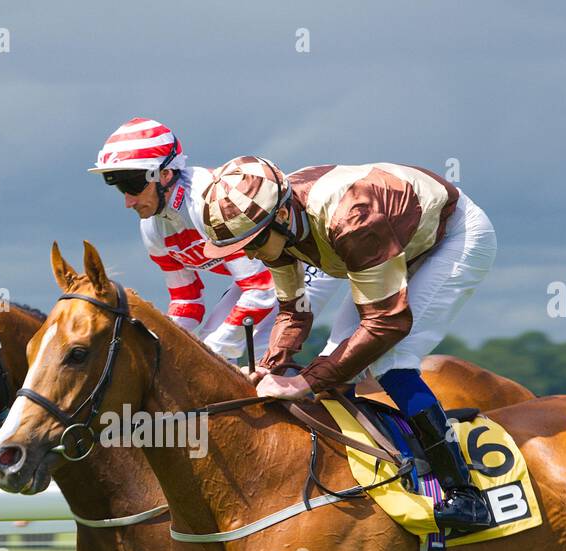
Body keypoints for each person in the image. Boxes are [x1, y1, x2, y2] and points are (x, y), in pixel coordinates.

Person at [199, 157, 498, 531]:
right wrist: (270, 367)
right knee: (333, 359)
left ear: (282, 218)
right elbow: (295, 310)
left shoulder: (352, 220)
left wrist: (303, 382)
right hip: (394, 238)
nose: (250, 255)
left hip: (453, 238)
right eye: (240, 248)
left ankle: (466, 495)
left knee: (390, 360)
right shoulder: (277, 224)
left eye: (254, 242)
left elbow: (388, 323)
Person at [88, 118, 357, 360]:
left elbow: (261, 291)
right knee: (202, 351)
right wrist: (157, 345)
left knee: (253, 355)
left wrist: (208, 354)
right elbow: (187, 302)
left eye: (132, 186)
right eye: (120, 188)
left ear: (166, 174)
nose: (127, 201)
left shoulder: (208, 206)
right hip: (260, 276)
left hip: (307, 259)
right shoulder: (152, 227)